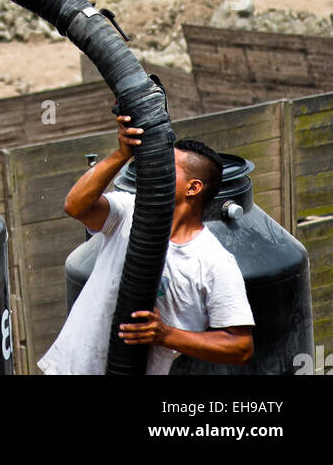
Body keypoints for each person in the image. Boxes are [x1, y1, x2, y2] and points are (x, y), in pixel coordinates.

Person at [38, 115, 254, 375]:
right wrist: (120, 155)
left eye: (167, 166)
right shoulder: (129, 209)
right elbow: (75, 206)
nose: (155, 167)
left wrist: (165, 335)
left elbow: (241, 347)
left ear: (193, 187)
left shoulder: (213, 261)